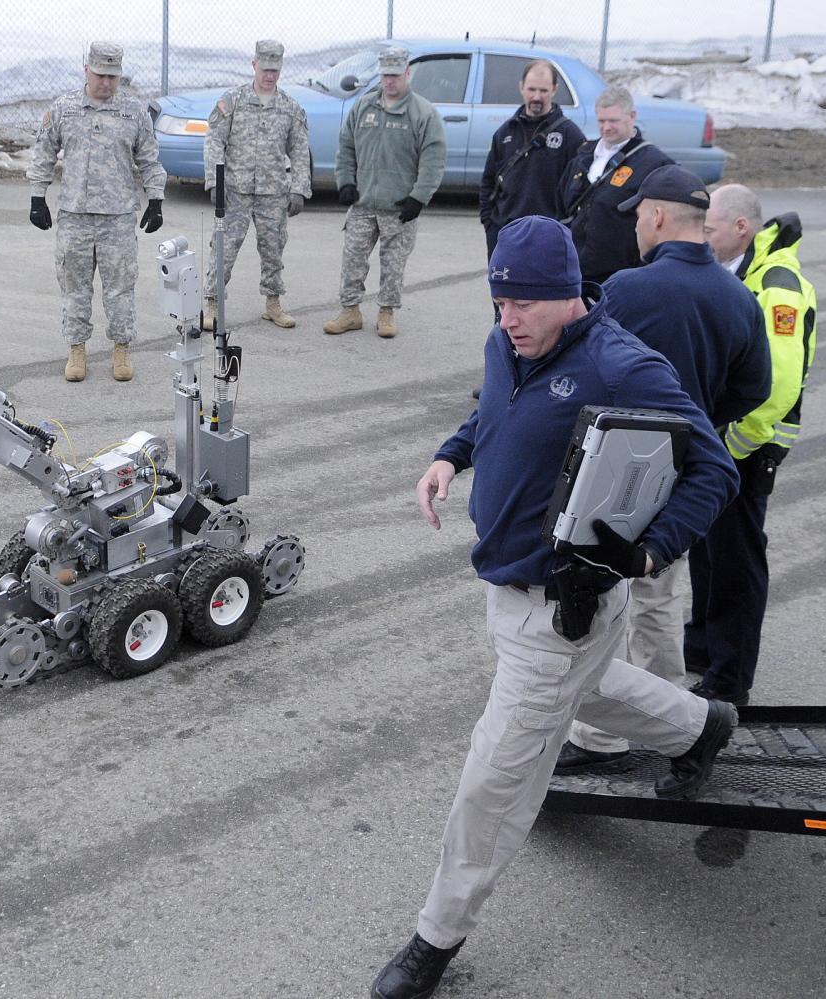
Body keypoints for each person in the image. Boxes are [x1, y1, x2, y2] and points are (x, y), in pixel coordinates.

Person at [371, 216, 740, 999]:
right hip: (512, 593)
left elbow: (714, 469)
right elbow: (493, 408)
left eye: (526, 302)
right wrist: (450, 455)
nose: (509, 317)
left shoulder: (619, 364)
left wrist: (652, 551)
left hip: (561, 609)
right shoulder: (507, 342)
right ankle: (702, 725)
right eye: (500, 299)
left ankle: (435, 938)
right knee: (593, 682)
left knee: (493, 784)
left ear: (570, 293)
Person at [555, 166, 771, 775]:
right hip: (686, 469)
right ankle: (674, 723)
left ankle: (602, 739)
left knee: (604, 595)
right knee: (659, 594)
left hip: (617, 468)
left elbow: (579, 370)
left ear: (656, 217)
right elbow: (755, 388)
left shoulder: (627, 289)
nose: (635, 229)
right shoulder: (739, 297)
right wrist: (699, 423)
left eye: (637, 216)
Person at [685, 184, 818, 704]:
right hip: (723, 440)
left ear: (741, 228)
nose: (701, 238)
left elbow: (777, 386)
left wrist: (734, 444)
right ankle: (702, 646)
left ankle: (729, 680)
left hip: (747, 446)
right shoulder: (740, 271)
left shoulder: (778, 285)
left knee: (736, 560)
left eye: (709, 229)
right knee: (707, 549)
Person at [27, 41, 167, 383]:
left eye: (113, 76)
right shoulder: (64, 109)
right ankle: (77, 349)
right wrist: (37, 197)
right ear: (86, 69)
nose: (106, 82)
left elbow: (149, 158)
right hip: (74, 216)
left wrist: (156, 198)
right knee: (74, 287)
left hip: (118, 218)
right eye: (100, 75)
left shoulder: (133, 112)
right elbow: (44, 153)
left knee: (120, 288)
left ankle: (121, 348)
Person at [323, 47, 446, 339]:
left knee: (393, 264)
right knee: (352, 259)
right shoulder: (363, 107)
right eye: (385, 75)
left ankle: (386, 312)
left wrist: (419, 197)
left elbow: (433, 159)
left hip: (399, 207)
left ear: (407, 73)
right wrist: (346, 182)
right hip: (363, 204)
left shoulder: (423, 113)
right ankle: (350, 311)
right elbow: (346, 146)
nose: (390, 81)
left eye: (396, 75)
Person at [201, 39, 311, 331]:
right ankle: (212, 303)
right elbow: (214, 140)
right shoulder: (233, 100)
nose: (269, 75)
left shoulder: (290, 107)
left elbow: (300, 150)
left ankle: (273, 303)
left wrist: (299, 188)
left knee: (273, 249)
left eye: (275, 70)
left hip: (272, 192)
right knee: (223, 249)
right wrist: (215, 181)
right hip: (235, 191)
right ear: (254, 65)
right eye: (265, 69)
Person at [558, 85, 674, 283]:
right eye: (601, 121)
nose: (606, 127)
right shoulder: (582, 157)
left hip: (621, 278)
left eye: (613, 121)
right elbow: (560, 207)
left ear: (632, 116)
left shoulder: (655, 163)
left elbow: (663, 226)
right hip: (575, 274)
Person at [479, 59, 584, 262]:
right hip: (505, 235)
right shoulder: (505, 132)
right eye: (532, 89)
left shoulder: (570, 136)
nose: (537, 97)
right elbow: (488, 182)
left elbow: (580, 192)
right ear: (521, 87)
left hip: (549, 240)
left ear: (555, 90)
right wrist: (490, 224)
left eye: (544, 90)